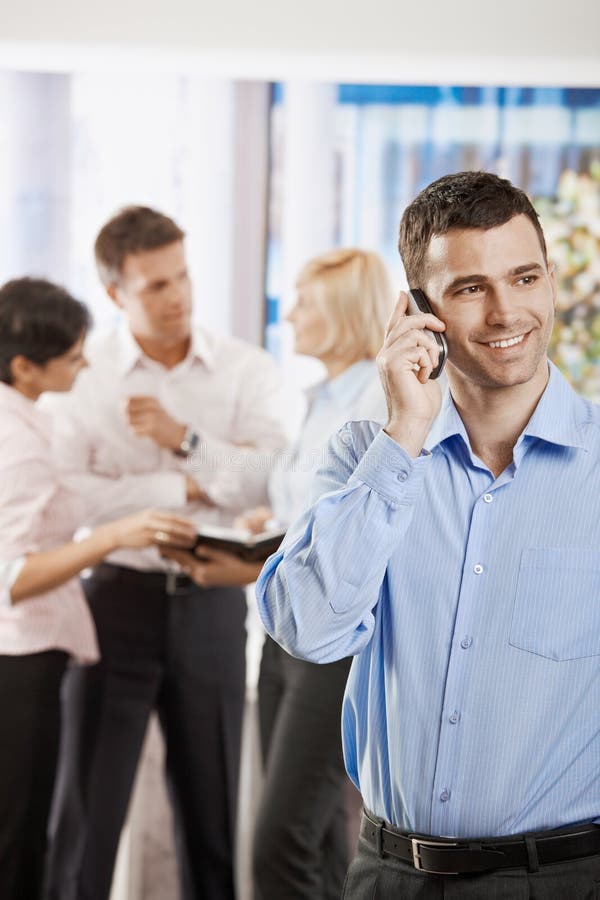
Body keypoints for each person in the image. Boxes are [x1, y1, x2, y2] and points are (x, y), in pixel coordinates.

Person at [256, 171, 600, 900]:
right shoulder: (365, 455)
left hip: (565, 879)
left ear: (549, 281)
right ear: (419, 310)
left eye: (525, 277)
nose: (507, 311)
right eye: (471, 288)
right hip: (388, 877)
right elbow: (307, 631)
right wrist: (405, 434)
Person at [43, 207, 287, 900]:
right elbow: (69, 495)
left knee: (213, 823)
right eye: (155, 285)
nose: (178, 295)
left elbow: (270, 478)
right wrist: (183, 486)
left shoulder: (244, 369)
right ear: (116, 294)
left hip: (213, 604)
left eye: (182, 276)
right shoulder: (85, 377)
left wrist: (186, 441)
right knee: (85, 822)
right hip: (113, 604)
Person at [162, 247, 395, 900]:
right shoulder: (321, 401)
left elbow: (359, 535)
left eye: (304, 302)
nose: (289, 315)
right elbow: (288, 491)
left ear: (343, 313)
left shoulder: (380, 403)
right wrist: (264, 520)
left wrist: (247, 561)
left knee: (278, 845)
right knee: (317, 845)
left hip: (331, 645)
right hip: (282, 637)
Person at [0, 277, 196, 900]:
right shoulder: (23, 438)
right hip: (29, 652)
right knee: (27, 834)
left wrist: (187, 448)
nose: (85, 366)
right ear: (24, 366)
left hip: (49, 649)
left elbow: (260, 469)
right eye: (72, 357)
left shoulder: (27, 420)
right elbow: (15, 576)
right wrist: (116, 534)